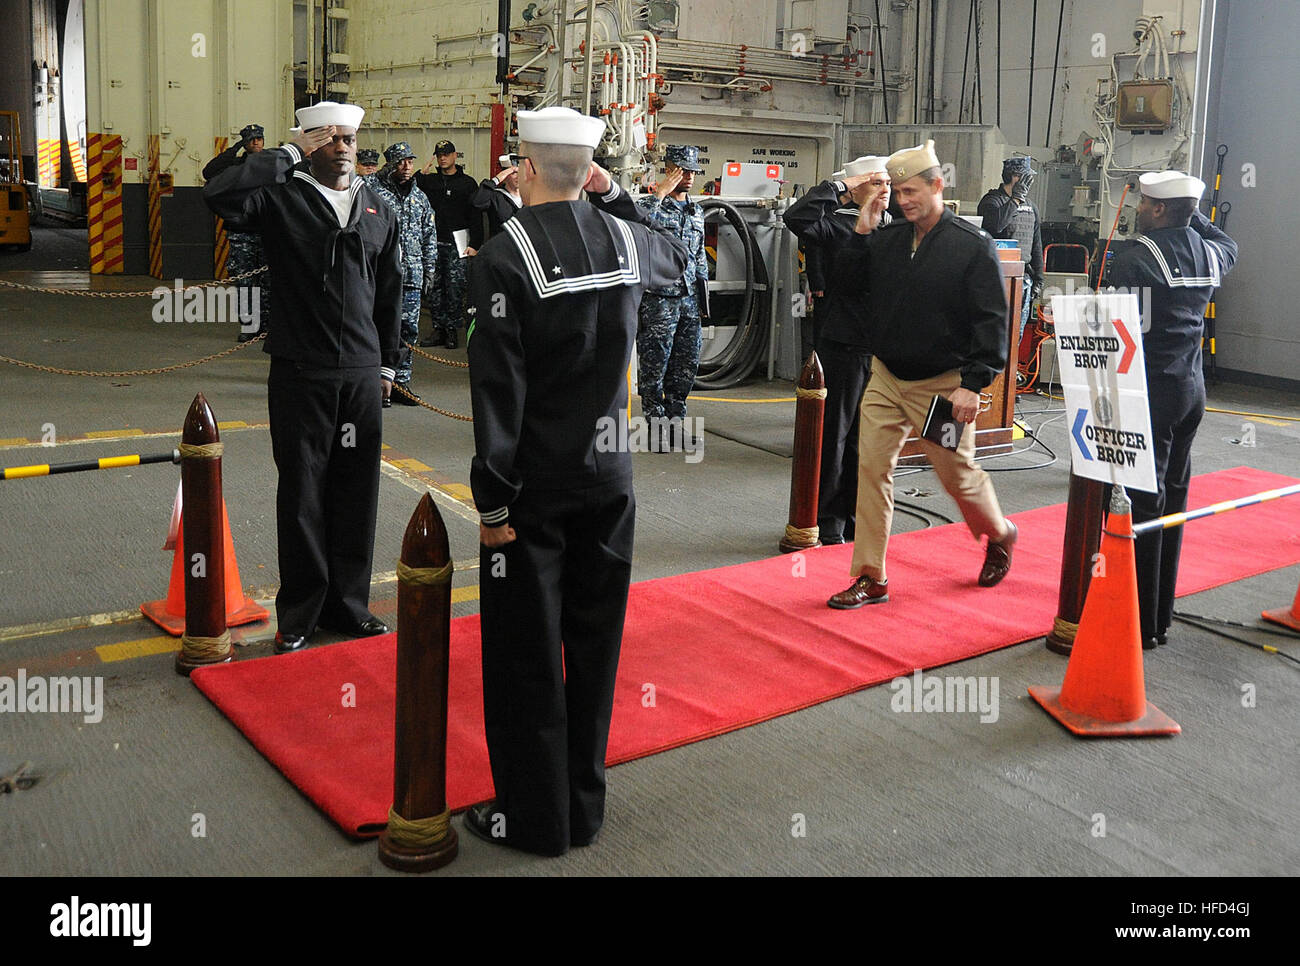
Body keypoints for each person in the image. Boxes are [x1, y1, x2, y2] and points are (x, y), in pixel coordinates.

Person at [464, 106, 689, 856]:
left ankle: (534, 818)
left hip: (536, 486)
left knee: (527, 652)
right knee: (595, 646)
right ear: (588, 170)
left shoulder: (503, 255)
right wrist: (615, 195)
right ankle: (584, 807)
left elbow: (500, 391)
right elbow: (676, 261)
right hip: (611, 477)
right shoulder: (627, 237)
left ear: (524, 167)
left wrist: (492, 498)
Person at [203, 101, 402, 654]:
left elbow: (391, 291)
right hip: (301, 370)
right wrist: (288, 154)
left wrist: (388, 363)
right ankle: (301, 612)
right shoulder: (279, 200)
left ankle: (350, 605)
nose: (342, 147)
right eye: (329, 139)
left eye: (349, 140)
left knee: (356, 491)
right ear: (310, 146)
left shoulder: (378, 209)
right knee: (303, 492)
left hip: (362, 374)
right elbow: (218, 194)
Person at [827, 140, 1018, 609]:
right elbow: (849, 289)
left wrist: (974, 383)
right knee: (871, 472)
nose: (903, 200)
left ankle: (999, 531)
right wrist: (862, 233)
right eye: (898, 191)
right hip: (886, 379)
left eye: (912, 191)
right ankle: (872, 576)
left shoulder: (972, 246)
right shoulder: (888, 238)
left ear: (938, 185)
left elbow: (991, 319)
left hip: (941, 387)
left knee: (957, 474)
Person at [1104, 170, 1238, 649]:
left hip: (1151, 393)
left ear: (1158, 209)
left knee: (1143, 503)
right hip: (1192, 391)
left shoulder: (1135, 259)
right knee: (1173, 501)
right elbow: (1225, 240)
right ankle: (1160, 615)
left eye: (1145, 202)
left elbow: (1124, 336)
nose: (1139, 208)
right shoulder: (1210, 254)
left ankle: (1135, 619)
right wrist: (1189, 213)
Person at [785, 155, 893, 544]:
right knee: (835, 436)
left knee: (867, 439)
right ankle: (827, 518)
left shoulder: (892, 228)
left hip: (880, 348)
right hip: (843, 344)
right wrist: (842, 189)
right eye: (878, 182)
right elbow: (796, 218)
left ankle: (853, 516)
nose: (886, 189)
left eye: (888, 182)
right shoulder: (832, 224)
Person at [634, 144, 710, 449]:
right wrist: (660, 193)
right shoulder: (651, 205)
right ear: (669, 169)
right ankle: (654, 426)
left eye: (692, 171)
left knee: (686, 363)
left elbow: (700, 255)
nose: (689, 177)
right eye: (683, 170)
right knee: (655, 363)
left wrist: (703, 299)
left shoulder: (697, 210)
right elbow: (635, 224)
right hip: (659, 298)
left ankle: (676, 422)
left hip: (689, 299)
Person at [366, 141, 438, 407]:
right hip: (379, 276)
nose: (407, 167)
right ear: (390, 163)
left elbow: (429, 235)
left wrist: (429, 270)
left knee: (408, 330)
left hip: (411, 276)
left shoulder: (419, 197)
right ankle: (374, 381)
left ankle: (400, 382)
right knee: (377, 328)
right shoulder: (372, 192)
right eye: (401, 162)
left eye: (410, 161)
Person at [204, 123, 271, 341]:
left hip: (267, 234)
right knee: (245, 283)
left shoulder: (271, 164)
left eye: (258, 138)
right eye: (251, 139)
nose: (256, 142)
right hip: (242, 234)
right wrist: (235, 148)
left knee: (267, 282)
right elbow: (209, 172)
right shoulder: (236, 166)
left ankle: (268, 326)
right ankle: (250, 326)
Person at [415, 140, 483, 348]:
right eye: (439, 155)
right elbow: (408, 189)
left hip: (457, 243)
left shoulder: (467, 183)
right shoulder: (430, 181)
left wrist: (476, 243)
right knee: (435, 288)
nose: (442, 158)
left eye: (446, 154)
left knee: (454, 288)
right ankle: (439, 328)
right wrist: (420, 174)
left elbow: (475, 215)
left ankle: (452, 329)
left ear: (455, 156)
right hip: (433, 242)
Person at [977, 155, 1043, 340]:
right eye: (1025, 177)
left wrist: (1039, 278)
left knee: (1017, 334)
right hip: (997, 279)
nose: (1029, 183)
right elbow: (996, 225)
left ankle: (1012, 369)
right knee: (997, 334)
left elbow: (1036, 244)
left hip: (1024, 280)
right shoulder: (991, 201)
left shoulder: (1031, 207)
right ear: (1015, 177)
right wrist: (1015, 200)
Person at [471, 158, 522, 239]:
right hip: (500, 247)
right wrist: (496, 180)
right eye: (514, 173)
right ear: (505, 175)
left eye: (521, 172)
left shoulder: (530, 196)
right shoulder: (495, 196)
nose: (518, 177)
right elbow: (477, 203)